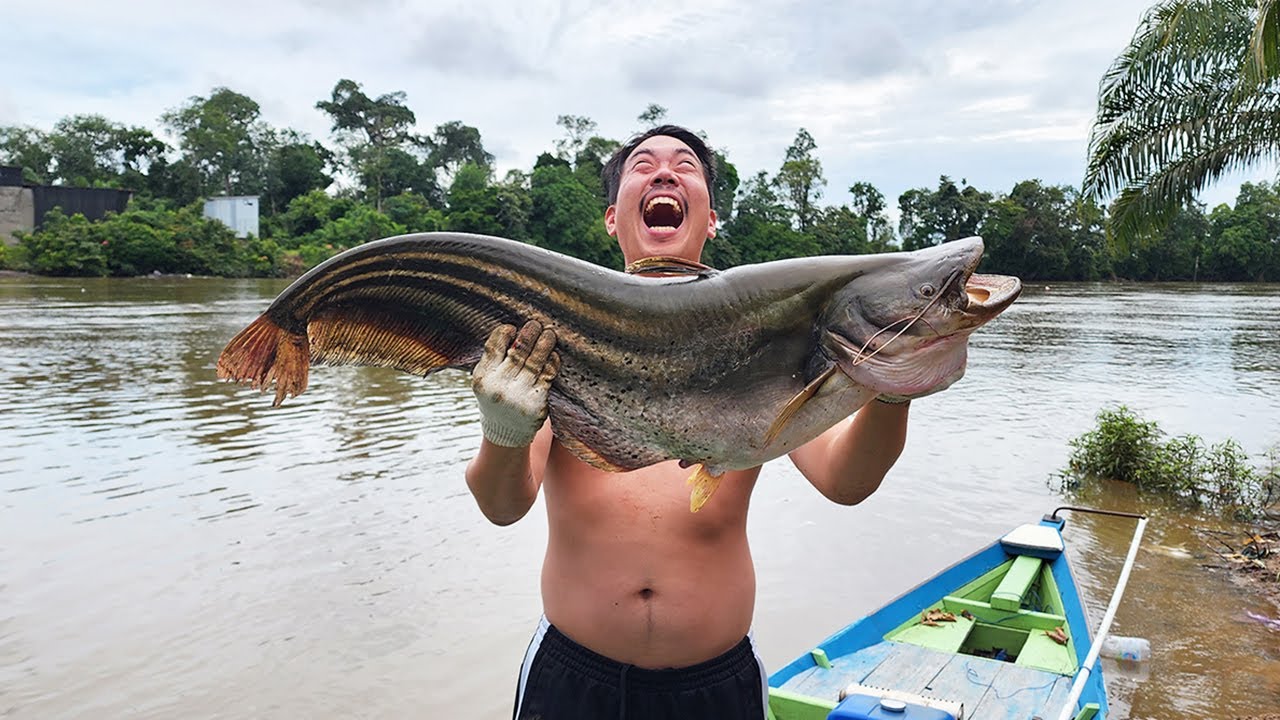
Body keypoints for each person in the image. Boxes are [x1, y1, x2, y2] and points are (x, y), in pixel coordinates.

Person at [465, 125, 911, 720]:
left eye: (686, 166)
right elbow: (502, 505)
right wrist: (504, 433)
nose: (665, 172)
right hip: (572, 681)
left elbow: (845, 481)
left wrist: (890, 388)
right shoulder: (556, 332)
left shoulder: (768, 337)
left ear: (713, 219)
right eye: (642, 165)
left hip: (716, 684)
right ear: (610, 217)